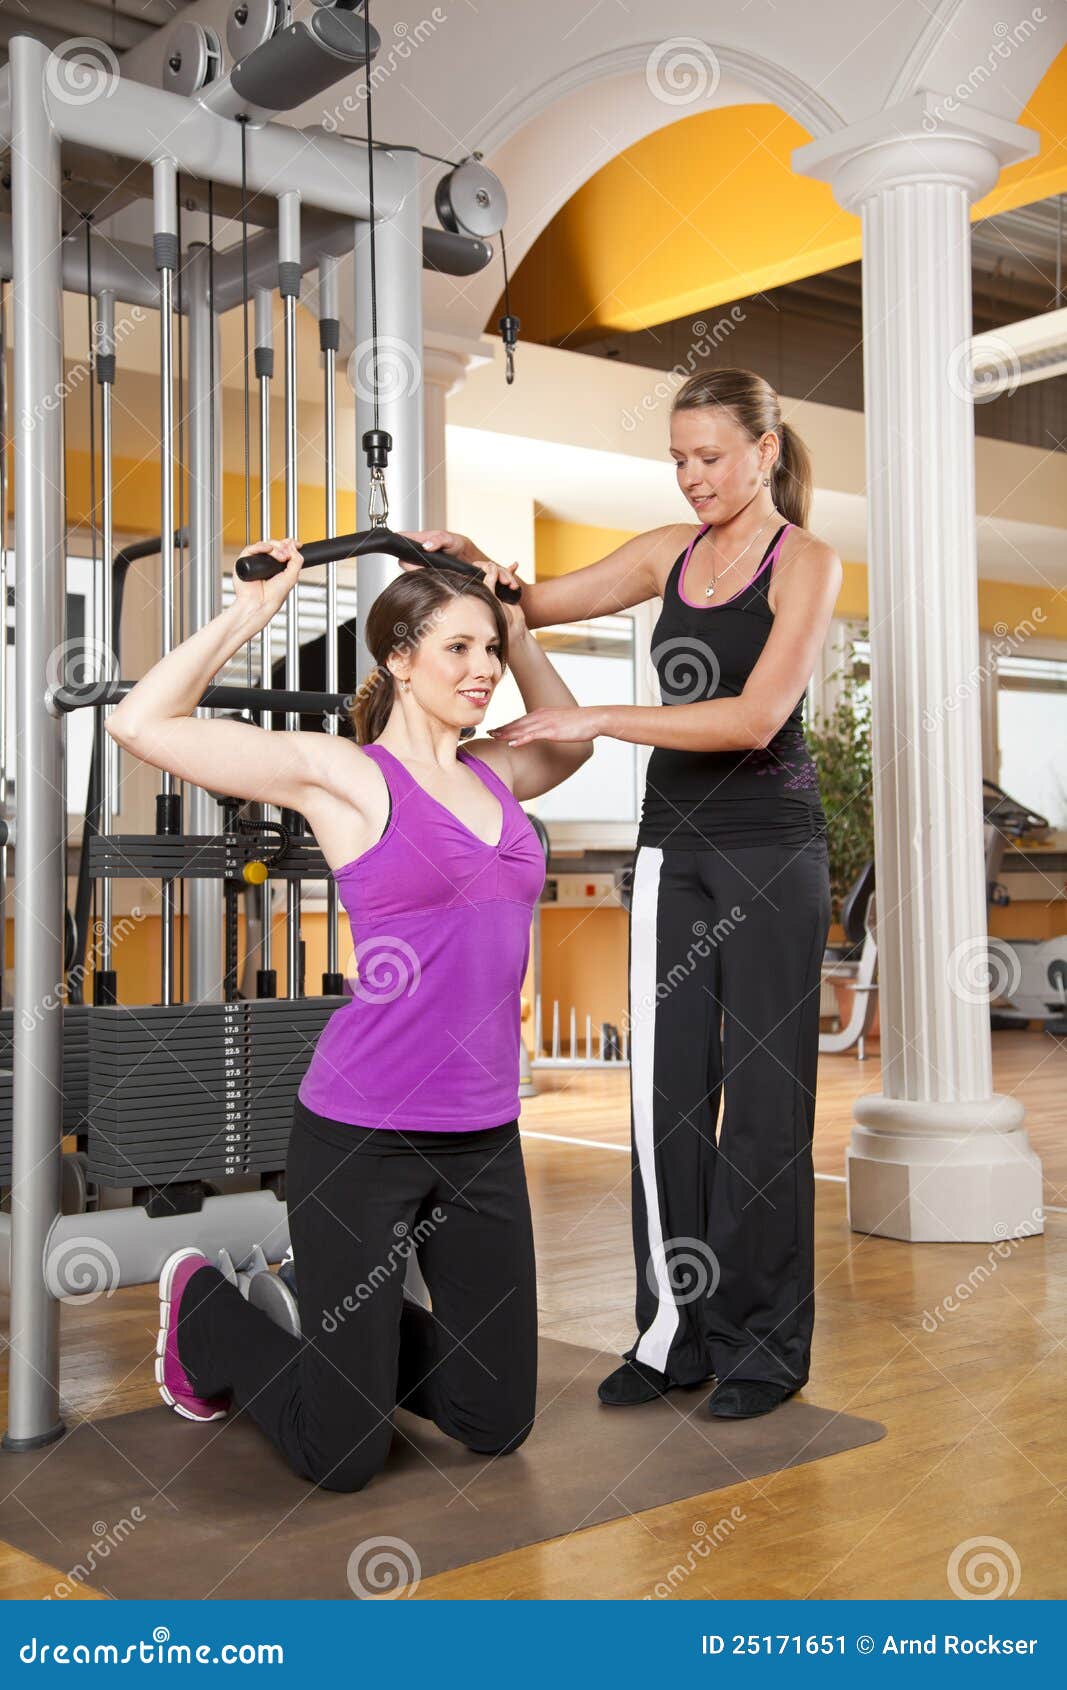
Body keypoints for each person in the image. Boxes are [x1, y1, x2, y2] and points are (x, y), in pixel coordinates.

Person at [401, 367, 842, 1420]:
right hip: (671, 847)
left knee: (764, 1110)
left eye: (709, 458)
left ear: (763, 451)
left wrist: (593, 719)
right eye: (677, 459)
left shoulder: (805, 563)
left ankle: (762, 1347)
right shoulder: (664, 554)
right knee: (663, 1099)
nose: (690, 478)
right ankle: (673, 1333)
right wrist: (466, 576)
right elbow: (530, 607)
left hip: (772, 848)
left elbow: (751, 718)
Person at [106, 545, 593, 1491]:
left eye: (488, 651)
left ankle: (337, 1323)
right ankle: (205, 1308)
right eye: (457, 649)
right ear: (400, 661)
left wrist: (519, 624)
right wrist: (250, 612)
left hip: (483, 1135)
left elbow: (569, 741)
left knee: (495, 1425)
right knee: (343, 1458)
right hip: (361, 1130)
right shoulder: (343, 776)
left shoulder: (498, 773)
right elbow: (140, 721)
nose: (483, 671)